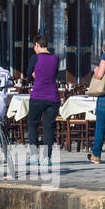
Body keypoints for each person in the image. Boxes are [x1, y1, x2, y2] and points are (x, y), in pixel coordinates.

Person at [25, 34, 60, 163]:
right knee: (48, 127)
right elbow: (53, 74)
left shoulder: (35, 58)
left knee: (32, 124)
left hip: (38, 95)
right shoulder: (56, 58)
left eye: (35, 46)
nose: (34, 48)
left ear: (38, 45)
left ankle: (34, 155)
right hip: (53, 97)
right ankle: (46, 157)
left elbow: (29, 76)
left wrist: (34, 75)